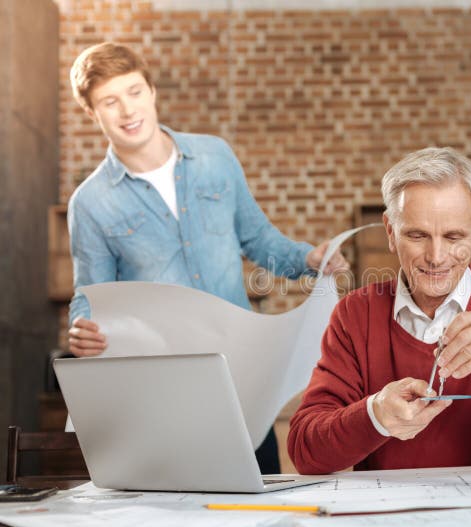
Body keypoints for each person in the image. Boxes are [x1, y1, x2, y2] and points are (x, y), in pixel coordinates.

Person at [65, 42, 347, 473]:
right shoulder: (91, 203)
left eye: (134, 91)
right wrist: (83, 330)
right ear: (92, 113)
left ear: (152, 90)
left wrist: (309, 258)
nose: (127, 110)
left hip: (241, 379)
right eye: (110, 100)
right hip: (163, 391)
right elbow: (90, 297)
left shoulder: (215, 158)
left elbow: (260, 241)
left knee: (263, 504)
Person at [288, 147, 471, 475]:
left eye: (454, 236)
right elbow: (305, 452)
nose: (436, 256)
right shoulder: (355, 314)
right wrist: (374, 415)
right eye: (417, 235)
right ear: (390, 232)